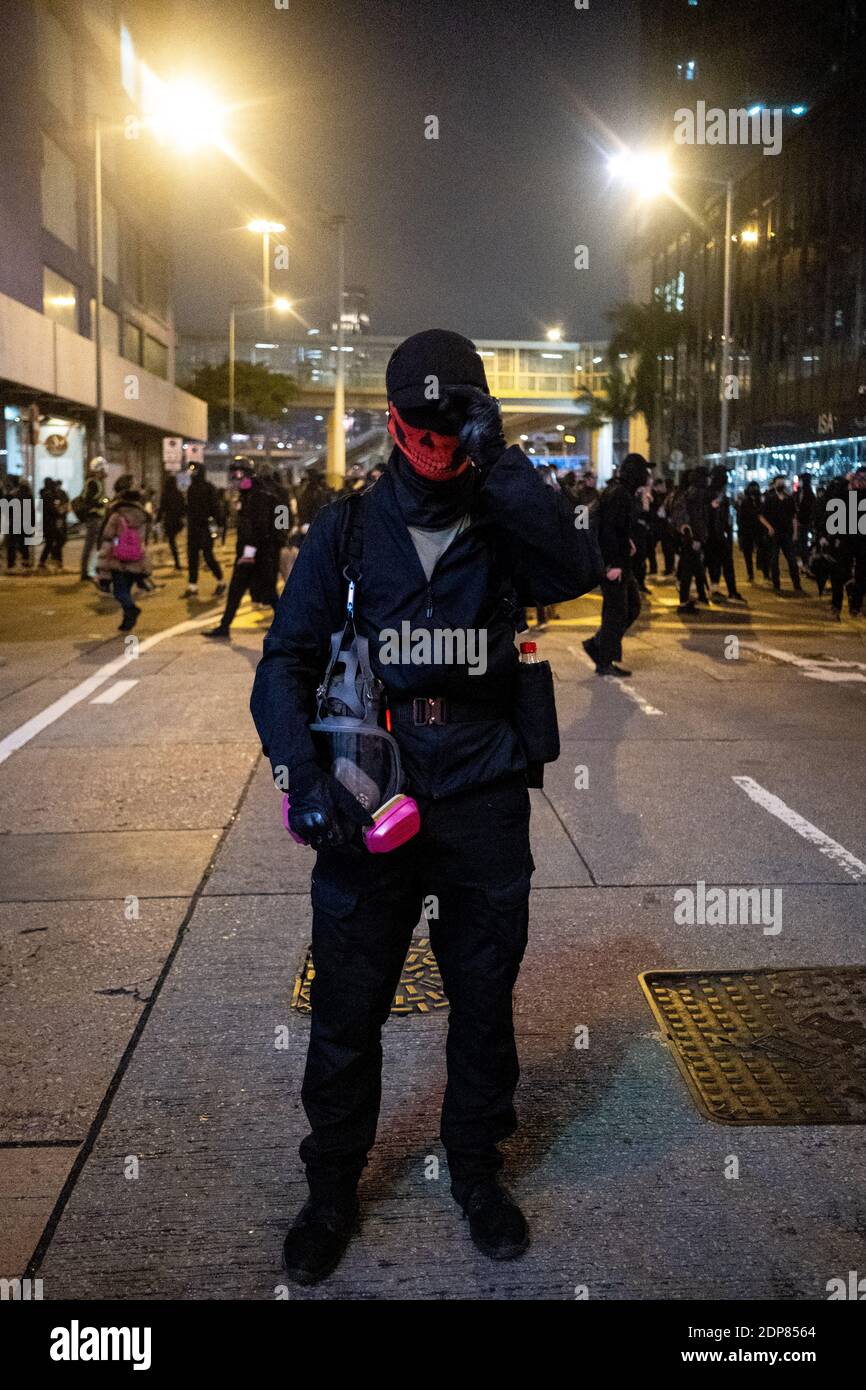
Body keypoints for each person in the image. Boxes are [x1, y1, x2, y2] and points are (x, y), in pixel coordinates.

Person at [250, 329, 602, 1283]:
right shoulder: (349, 530)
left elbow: (578, 569)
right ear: (395, 423)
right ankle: (331, 1186)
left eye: (460, 420)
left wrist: (506, 462)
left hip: (482, 788)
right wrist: (303, 778)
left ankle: (478, 1175)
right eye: (427, 421)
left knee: (483, 1001)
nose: (440, 441)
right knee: (348, 1005)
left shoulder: (503, 517)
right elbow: (284, 660)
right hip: (375, 794)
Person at [583, 452, 648, 677]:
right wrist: (612, 565)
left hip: (620, 562)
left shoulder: (621, 492)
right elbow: (609, 533)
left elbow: (616, 528)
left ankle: (598, 645)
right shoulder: (620, 494)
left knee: (631, 607)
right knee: (615, 612)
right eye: (644, 470)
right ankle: (604, 660)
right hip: (614, 564)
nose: (648, 475)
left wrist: (626, 542)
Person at [203, 461, 281, 639]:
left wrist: (248, 554)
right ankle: (224, 626)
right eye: (233, 476)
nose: (235, 480)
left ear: (248, 475)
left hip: (256, 554)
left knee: (268, 593)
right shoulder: (247, 495)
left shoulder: (257, 496)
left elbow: (259, 528)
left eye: (238, 476)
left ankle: (292, 630)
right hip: (253, 553)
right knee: (238, 591)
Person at [95, 485, 151, 631]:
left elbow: (108, 538)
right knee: (126, 590)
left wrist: (102, 562)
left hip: (118, 559)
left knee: (119, 592)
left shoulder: (117, 515)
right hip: (136, 559)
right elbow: (144, 539)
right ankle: (127, 622)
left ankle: (132, 610)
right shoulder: (143, 517)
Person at [671, 465, 710, 612]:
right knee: (688, 571)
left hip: (691, 538)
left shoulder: (690, 493)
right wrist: (694, 538)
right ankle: (684, 602)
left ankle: (693, 597)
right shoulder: (694, 494)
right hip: (691, 539)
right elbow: (693, 518)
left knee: (693, 569)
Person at [183, 463, 225, 598]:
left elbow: (215, 507)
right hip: (193, 528)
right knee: (192, 557)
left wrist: (219, 524)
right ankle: (192, 586)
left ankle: (221, 581)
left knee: (208, 556)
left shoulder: (208, 488)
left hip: (205, 528)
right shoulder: (191, 488)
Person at [705, 465, 746, 602]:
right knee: (718, 563)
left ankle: (724, 590)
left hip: (720, 534)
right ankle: (720, 590)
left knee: (723, 563)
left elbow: (725, 517)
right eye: (725, 475)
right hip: (713, 535)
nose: (727, 479)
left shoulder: (721, 493)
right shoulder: (710, 494)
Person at [761, 475, 803, 594]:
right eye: (779, 482)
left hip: (786, 534)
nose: (781, 484)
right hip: (774, 534)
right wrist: (769, 527)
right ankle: (776, 585)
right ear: (775, 484)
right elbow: (761, 516)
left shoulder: (789, 499)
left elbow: (794, 517)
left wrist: (795, 533)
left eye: (782, 482)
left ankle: (797, 584)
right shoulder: (769, 498)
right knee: (774, 560)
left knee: (792, 560)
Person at [74, 461, 108, 581]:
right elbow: (89, 501)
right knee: (90, 546)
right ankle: (85, 572)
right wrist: (103, 502)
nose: (106, 471)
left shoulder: (96, 482)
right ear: (99, 470)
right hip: (94, 518)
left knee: (97, 545)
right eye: (104, 469)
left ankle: (93, 570)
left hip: (97, 518)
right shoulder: (93, 483)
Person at [736, 481, 768, 583]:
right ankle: (751, 574)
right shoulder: (745, 502)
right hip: (747, 531)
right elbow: (741, 518)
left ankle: (765, 573)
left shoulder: (760, 501)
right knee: (748, 554)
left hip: (758, 531)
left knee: (763, 552)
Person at [156, 473, 186, 572]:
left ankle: (177, 562)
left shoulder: (165, 494)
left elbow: (162, 508)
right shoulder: (179, 494)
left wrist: (158, 519)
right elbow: (184, 508)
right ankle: (178, 562)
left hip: (169, 521)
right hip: (178, 521)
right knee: (176, 540)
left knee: (172, 542)